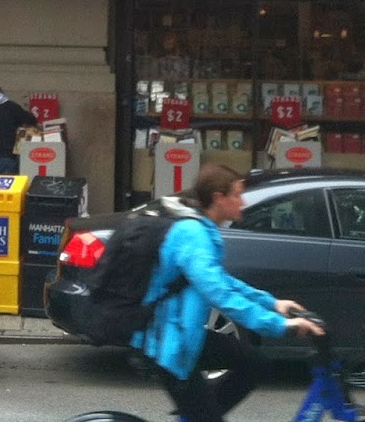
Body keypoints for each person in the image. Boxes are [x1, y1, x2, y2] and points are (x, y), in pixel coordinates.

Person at [139, 163, 324, 422]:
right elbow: (219, 294)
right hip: (170, 343)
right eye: (237, 194)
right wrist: (280, 325)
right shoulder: (193, 236)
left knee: (254, 364)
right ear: (219, 198)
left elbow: (223, 282)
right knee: (207, 412)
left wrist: (272, 303)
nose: (243, 201)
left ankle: (197, 414)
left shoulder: (203, 229)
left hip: (185, 331)